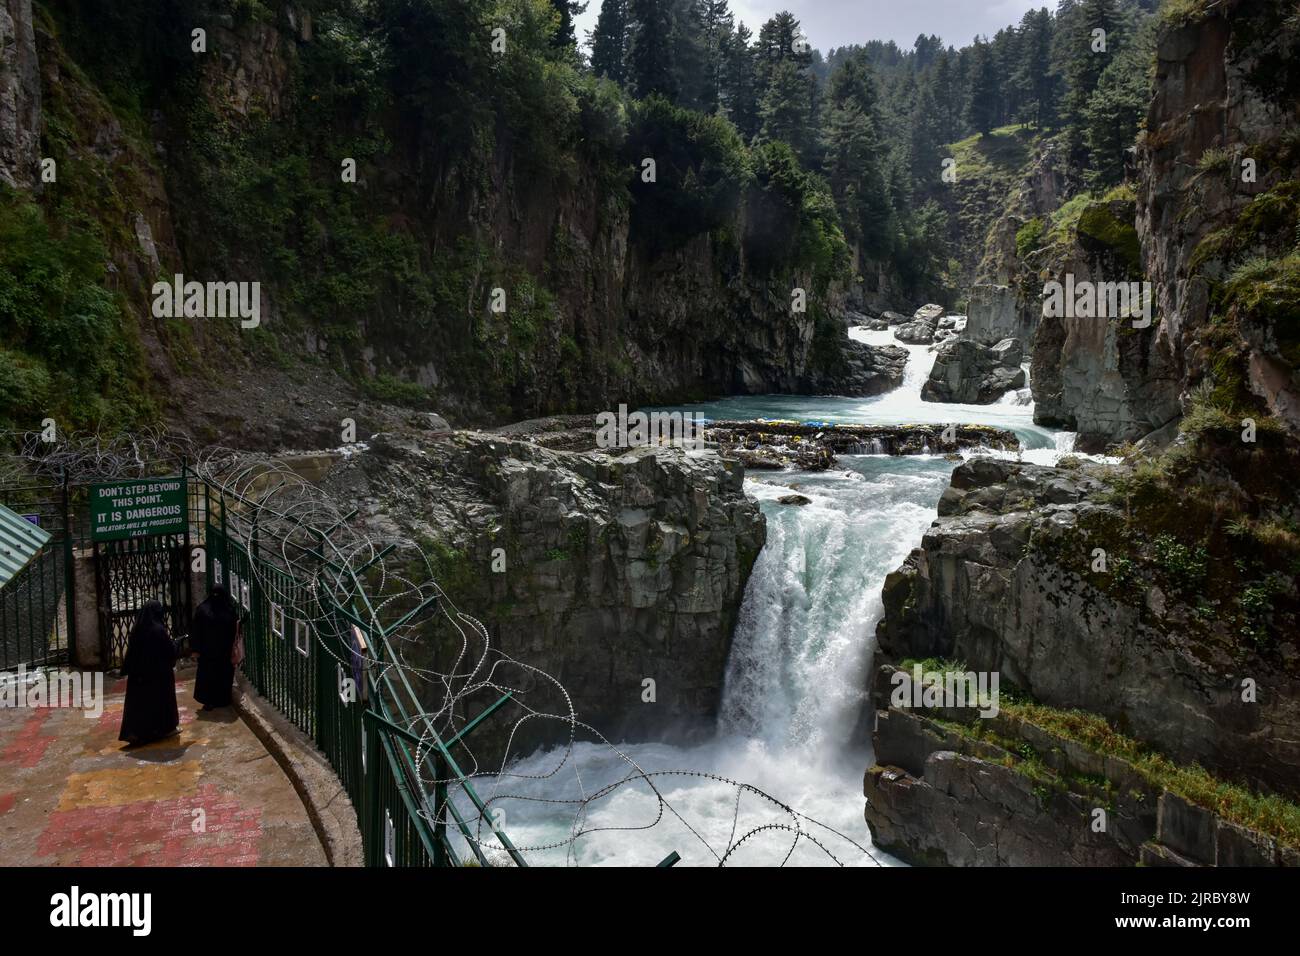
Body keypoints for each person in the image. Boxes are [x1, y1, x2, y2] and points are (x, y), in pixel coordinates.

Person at [118, 600, 180, 745]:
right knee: (160, 703)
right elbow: (168, 652)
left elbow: (132, 654)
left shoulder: (138, 629)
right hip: (158, 676)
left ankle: (136, 733)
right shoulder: (159, 630)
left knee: (140, 706)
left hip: (139, 677)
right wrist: (175, 645)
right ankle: (162, 729)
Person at [192, 585, 238, 710]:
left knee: (208, 677)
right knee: (222, 676)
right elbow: (235, 630)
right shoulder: (229, 610)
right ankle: (222, 700)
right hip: (224, 652)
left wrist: (196, 650)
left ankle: (209, 701)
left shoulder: (202, 609)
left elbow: (196, 631)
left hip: (207, 653)